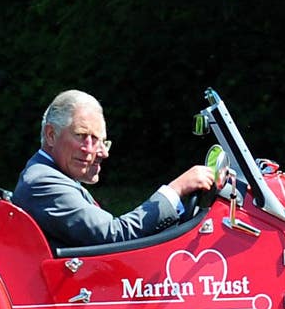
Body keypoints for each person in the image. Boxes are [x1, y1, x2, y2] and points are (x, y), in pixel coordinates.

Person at [13, 90, 216, 247]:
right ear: (51, 135)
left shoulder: (52, 175)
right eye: (84, 136)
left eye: (101, 141)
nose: (102, 153)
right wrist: (176, 190)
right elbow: (115, 235)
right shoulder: (42, 181)